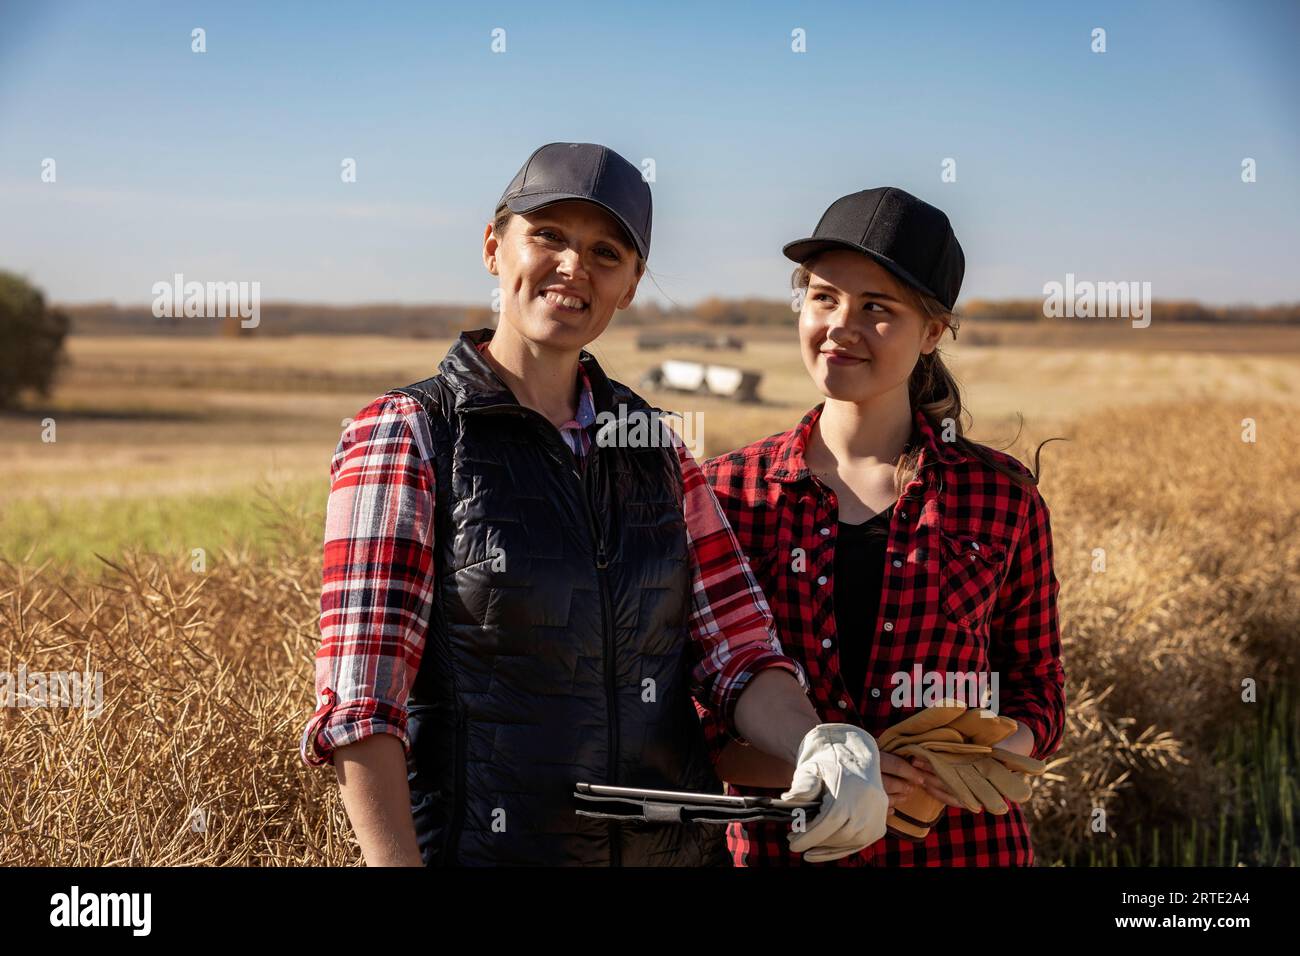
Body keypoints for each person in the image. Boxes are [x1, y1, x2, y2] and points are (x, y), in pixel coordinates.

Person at [298, 143, 890, 866]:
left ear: (630, 286)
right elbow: (364, 704)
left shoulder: (655, 448)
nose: (574, 267)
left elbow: (739, 652)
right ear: (494, 247)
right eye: (548, 236)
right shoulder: (410, 434)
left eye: (606, 252)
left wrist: (820, 743)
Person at [698, 186, 1066, 866]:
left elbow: (1039, 692)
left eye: (878, 308)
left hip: (962, 852)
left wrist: (960, 762)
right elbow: (696, 726)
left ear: (932, 332)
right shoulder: (726, 495)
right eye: (823, 297)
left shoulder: (1000, 498)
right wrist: (840, 771)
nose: (842, 324)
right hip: (783, 852)